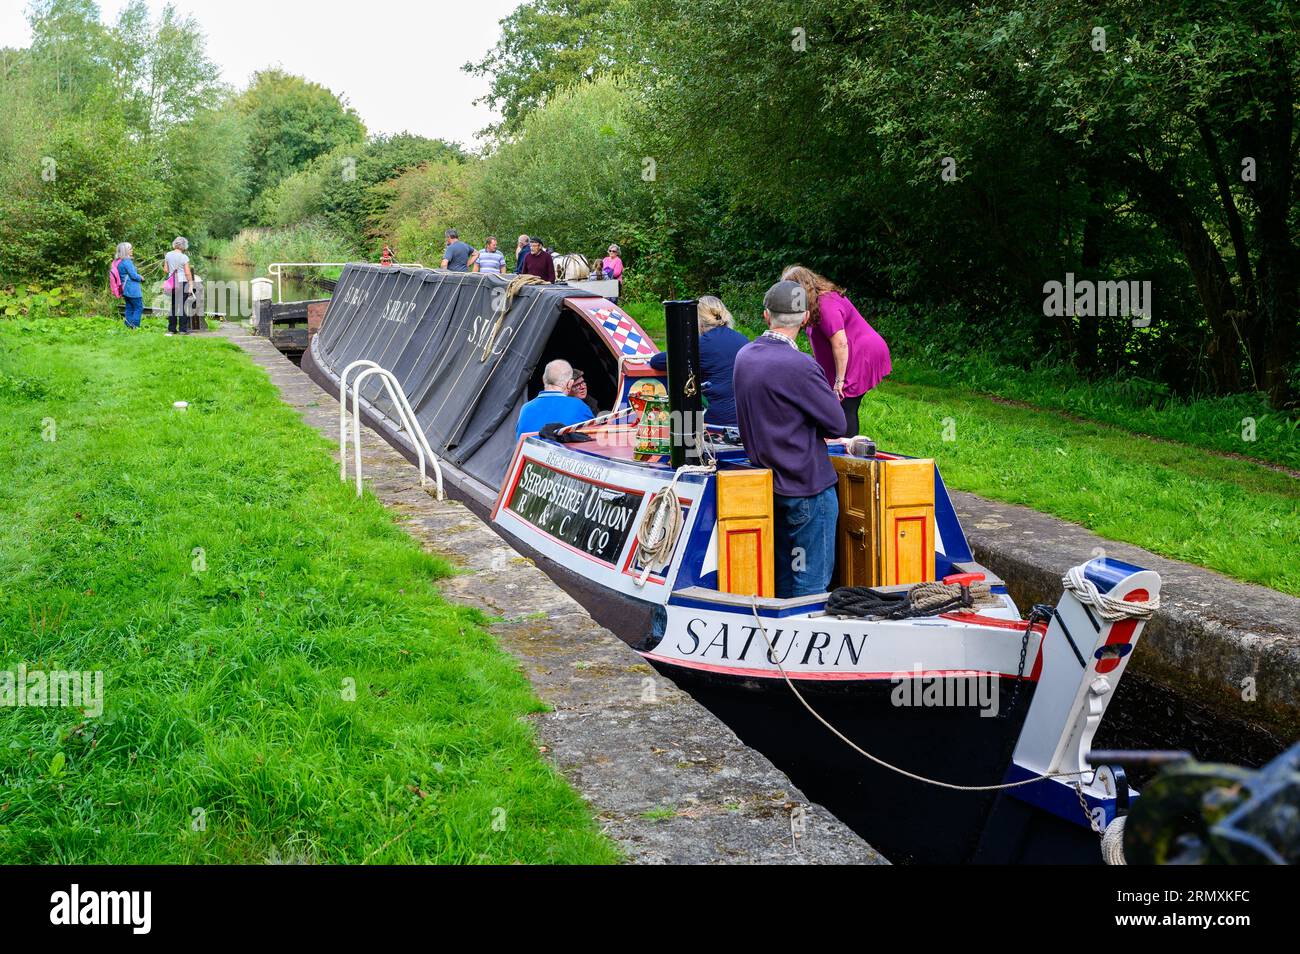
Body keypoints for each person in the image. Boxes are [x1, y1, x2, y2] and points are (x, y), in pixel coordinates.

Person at [733, 280, 845, 598]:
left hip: (770, 484)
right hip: (808, 487)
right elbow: (837, 423)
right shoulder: (801, 366)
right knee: (810, 585)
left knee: (782, 579)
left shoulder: (744, 357)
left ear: (767, 316)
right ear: (806, 318)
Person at [781, 265, 892, 437]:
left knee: (845, 401)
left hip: (862, 353)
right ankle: (832, 441)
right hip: (850, 352)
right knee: (832, 404)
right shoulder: (812, 304)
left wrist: (840, 381)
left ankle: (848, 452)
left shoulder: (826, 304)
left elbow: (840, 343)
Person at [648, 295, 747, 427]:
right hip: (744, 419)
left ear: (697, 320)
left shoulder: (701, 344)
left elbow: (657, 361)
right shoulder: (743, 340)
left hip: (715, 420)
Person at [515, 359, 594, 442]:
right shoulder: (579, 406)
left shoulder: (525, 409)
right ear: (570, 384)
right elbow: (593, 441)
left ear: (543, 379)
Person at [165, 237, 194, 336]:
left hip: (172, 283)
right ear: (184, 246)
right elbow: (187, 272)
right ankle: (182, 330)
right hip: (182, 282)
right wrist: (190, 284)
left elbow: (166, 270)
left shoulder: (168, 255)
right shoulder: (184, 257)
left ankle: (171, 329)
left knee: (173, 306)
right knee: (182, 306)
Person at [115, 243, 145, 330]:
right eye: (130, 249)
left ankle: (128, 325)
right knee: (139, 307)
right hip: (132, 289)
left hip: (125, 289)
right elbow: (133, 275)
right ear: (125, 251)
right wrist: (141, 278)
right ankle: (134, 326)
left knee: (129, 307)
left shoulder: (119, 262)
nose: (132, 250)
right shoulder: (127, 262)